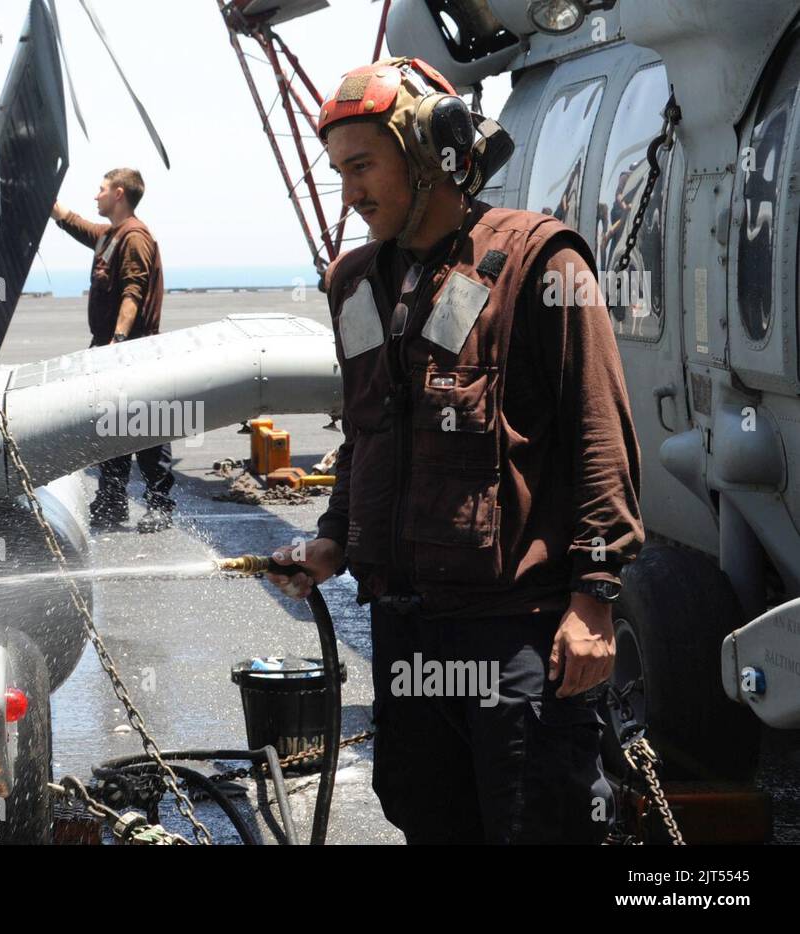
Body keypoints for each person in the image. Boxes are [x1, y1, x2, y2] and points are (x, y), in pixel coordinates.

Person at [268, 57, 644, 843]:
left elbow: (598, 432)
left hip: (517, 631)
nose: (350, 193)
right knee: (426, 813)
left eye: (363, 166)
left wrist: (594, 597)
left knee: (532, 820)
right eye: (339, 171)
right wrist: (334, 538)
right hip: (408, 632)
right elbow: (369, 429)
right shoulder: (357, 286)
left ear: (433, 149)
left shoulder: (542, 264)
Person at [52, 167, 175, 533]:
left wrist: (118, 341)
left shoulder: (134, 238)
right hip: (113, 347)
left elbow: (132, 292)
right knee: (112, 428)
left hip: (133, 349)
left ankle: (160, 505)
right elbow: (72, 222)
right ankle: (111, 502)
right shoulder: (110, 235)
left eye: (101, 189)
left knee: (148, 428)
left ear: (119, 193)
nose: (96, 195)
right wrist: (40, 193)